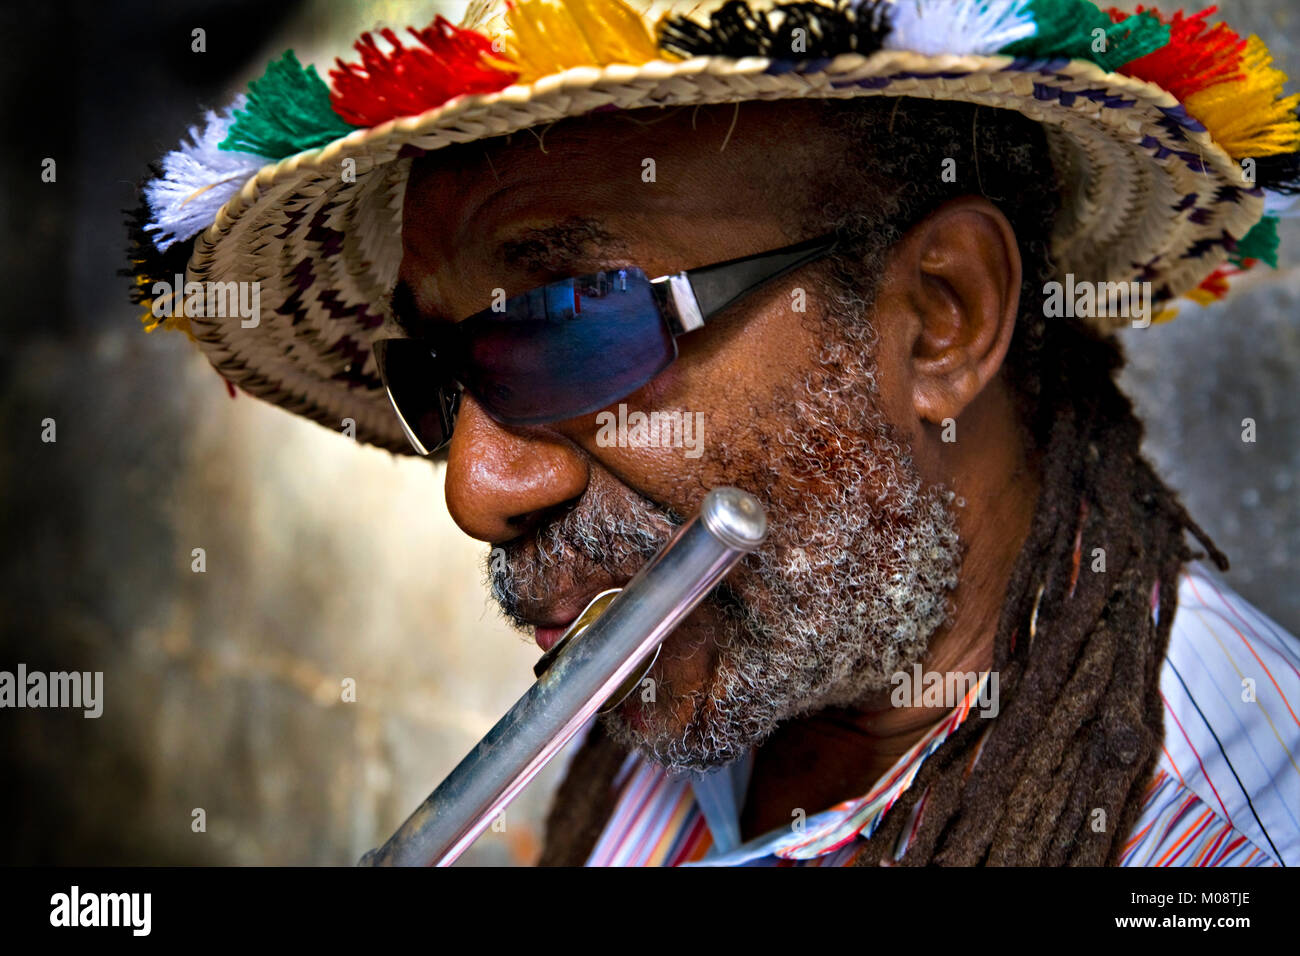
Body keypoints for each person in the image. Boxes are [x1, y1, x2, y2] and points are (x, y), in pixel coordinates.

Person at [127, 0, 1300, 866]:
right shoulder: (727, 682)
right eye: (440, 373)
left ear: (943, 318)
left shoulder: (1218, 840)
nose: (477, 486)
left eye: (566, 321)